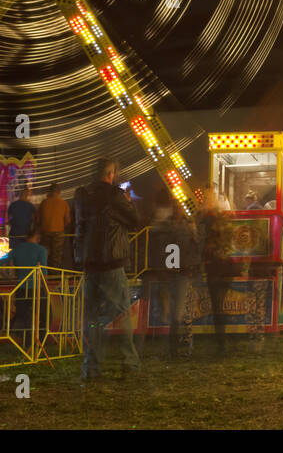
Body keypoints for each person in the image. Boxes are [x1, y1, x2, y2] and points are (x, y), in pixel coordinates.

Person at [74, 158, 142, 381]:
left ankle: (91, 367)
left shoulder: (82, 195)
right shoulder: (115, 196)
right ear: (111, 174)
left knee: (91, 317)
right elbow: (136, 220)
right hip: (112, 262)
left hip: (89, 264)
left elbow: (79, 227)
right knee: (122, 314)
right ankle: (129, 364)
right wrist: (127, 205)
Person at [141, 191, 200, 360]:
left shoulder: (182, 227)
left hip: (178, 272)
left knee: (176, 313)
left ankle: (172, 349)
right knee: (171, 312)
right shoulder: (177, 227)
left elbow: (189, 250)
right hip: (172, 272)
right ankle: (171, 348)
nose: (177, 209)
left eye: (178, 206)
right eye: (175, 206)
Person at [199, 196, 238, 356]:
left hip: (215, 268)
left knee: (217, 306)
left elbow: (205, 244)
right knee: (220, 305)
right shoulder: (228, 224)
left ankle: (221, 341)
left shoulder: (209, 224)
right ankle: (223, 342)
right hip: (225, 267)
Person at [5, 225, 47, 336]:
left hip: (21, 287)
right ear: (37, 237)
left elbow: (1, 262)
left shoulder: (16, 249)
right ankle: (39, 340)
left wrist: (9, 276)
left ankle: (14, 335)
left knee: (22, 314)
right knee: (44, 315)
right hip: (36, 288)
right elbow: (43, 271)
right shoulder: (41, 250)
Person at [36, 183, 72, 270]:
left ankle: (44, 275)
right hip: (59, 233)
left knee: (45, 255)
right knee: (57, 256)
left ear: (50, 191)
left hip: (45, 232)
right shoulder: (64, 203)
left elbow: (38, 220)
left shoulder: (44, 203)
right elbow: (67, 221)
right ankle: (54, 277)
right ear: (59, 192)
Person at [6, 184, 36, 250]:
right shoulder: (31, 207)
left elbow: (9, 220)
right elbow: (34, 220)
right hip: (26, 234)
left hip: (14, 234)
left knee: (14, 254)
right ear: (27, 195)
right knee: (25, 254)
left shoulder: (13, 205)